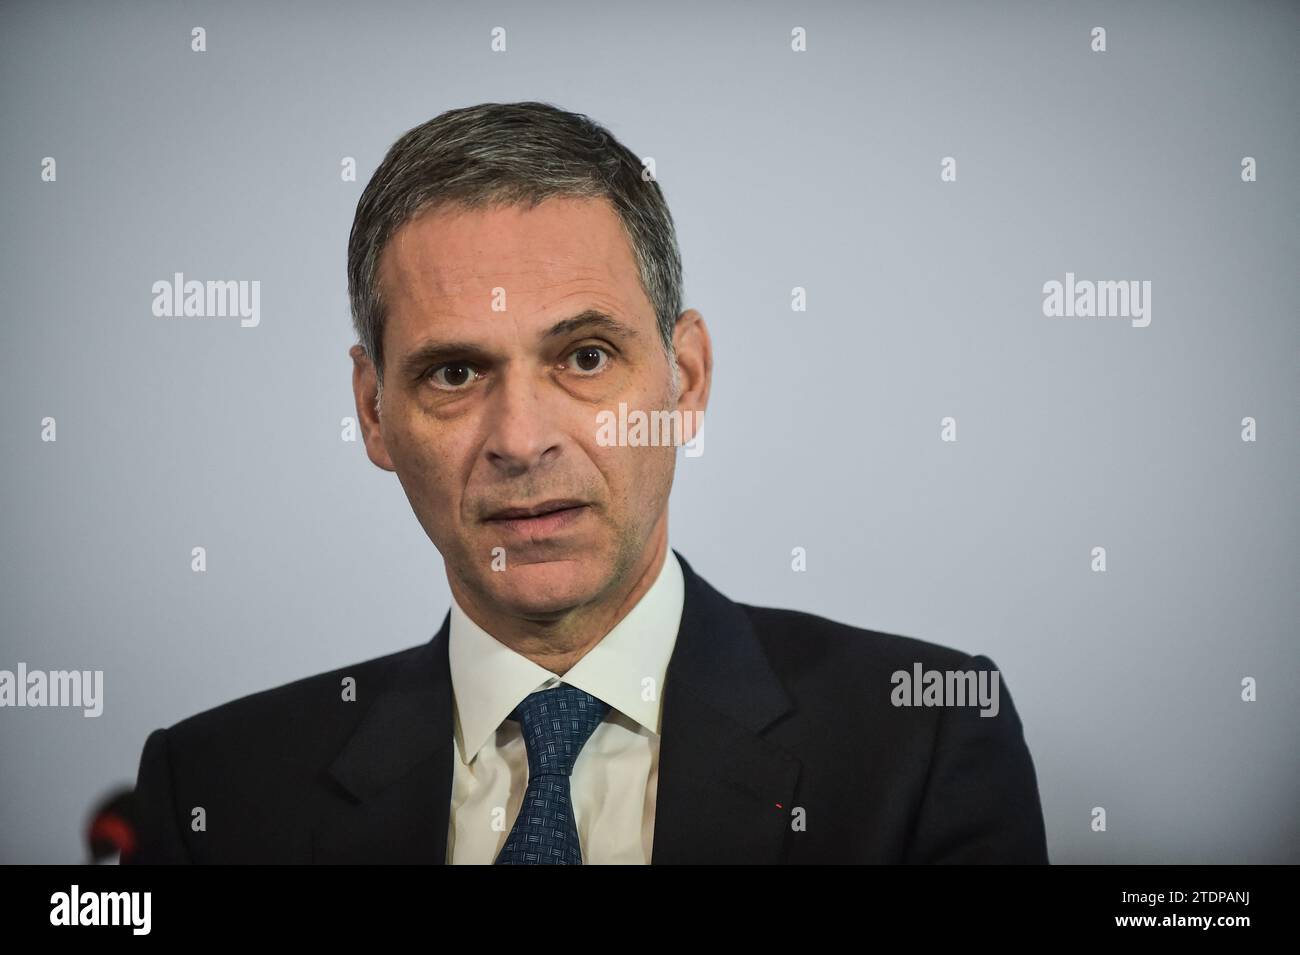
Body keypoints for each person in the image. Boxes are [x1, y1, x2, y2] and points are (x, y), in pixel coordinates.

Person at [126, 101, 1049, 864]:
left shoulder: (925, 740)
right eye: (454, 373)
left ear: (684, 378)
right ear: (373, 411)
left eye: (586, 355)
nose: (522, 440)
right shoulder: (209, 792)